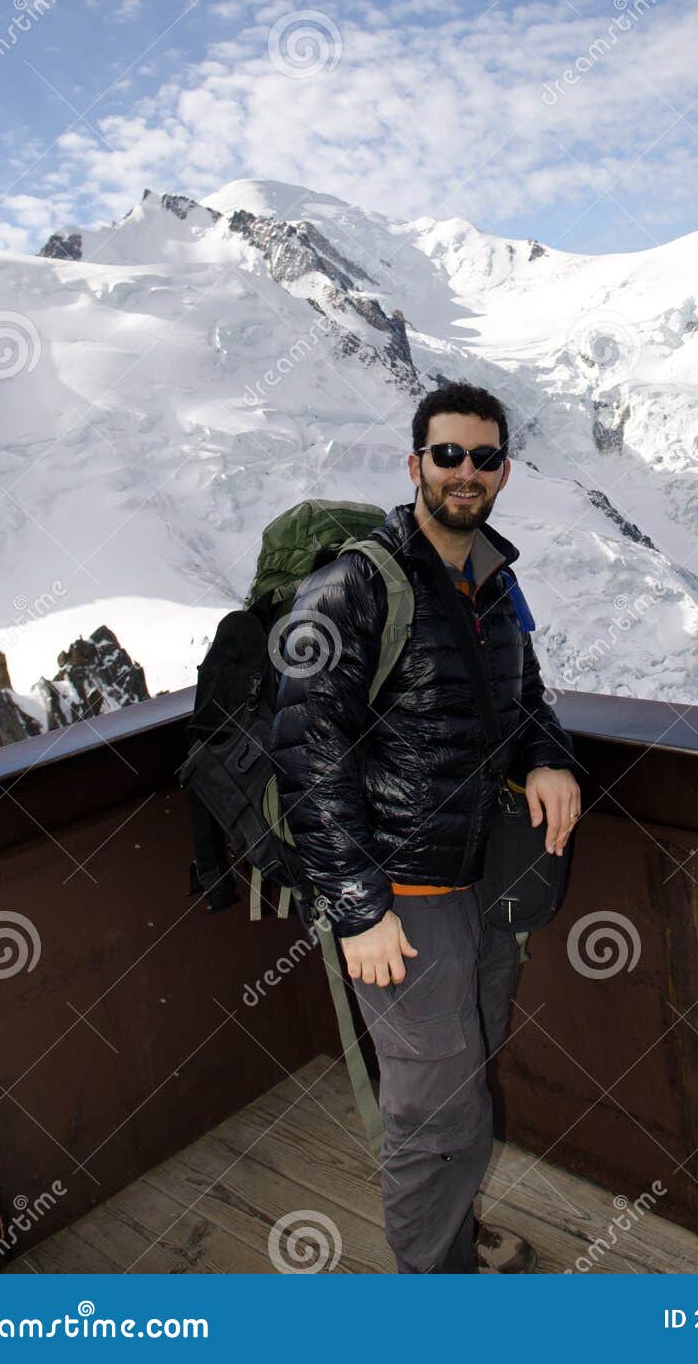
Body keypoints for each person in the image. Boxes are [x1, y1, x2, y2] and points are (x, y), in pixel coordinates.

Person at [270, 381, 580, 1273]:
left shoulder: (492, 580)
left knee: (463, 1086)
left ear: (504, 472)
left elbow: (523, 704)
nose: (466, 472)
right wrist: (361, 910)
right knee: (432, 1111)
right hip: (402, 903)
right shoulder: (353, 587)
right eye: (448, 454)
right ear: (416, 466)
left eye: (484, 457)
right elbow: (307, 751)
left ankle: (451, 1237)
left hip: (480, 887)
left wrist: (550, 755)